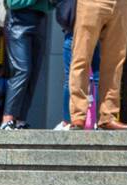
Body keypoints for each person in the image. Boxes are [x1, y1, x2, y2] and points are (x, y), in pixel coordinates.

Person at [69, 0, 127, 130]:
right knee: (81, 58)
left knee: (115, 62)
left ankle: (108, 115)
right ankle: (78, 115)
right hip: (91, 3)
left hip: (121, 4)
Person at [54, 0, 101, 129]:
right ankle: (95, 120)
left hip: (75, 31)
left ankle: (68, 120)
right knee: (96, 78)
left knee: (72, 77)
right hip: (94, 30)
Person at [2, 0, 49, 129]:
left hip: (40, 20)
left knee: (33, 73)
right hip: (18, 20)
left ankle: (20, 119)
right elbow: (13, 2)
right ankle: (8, 117)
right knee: (22, 70)